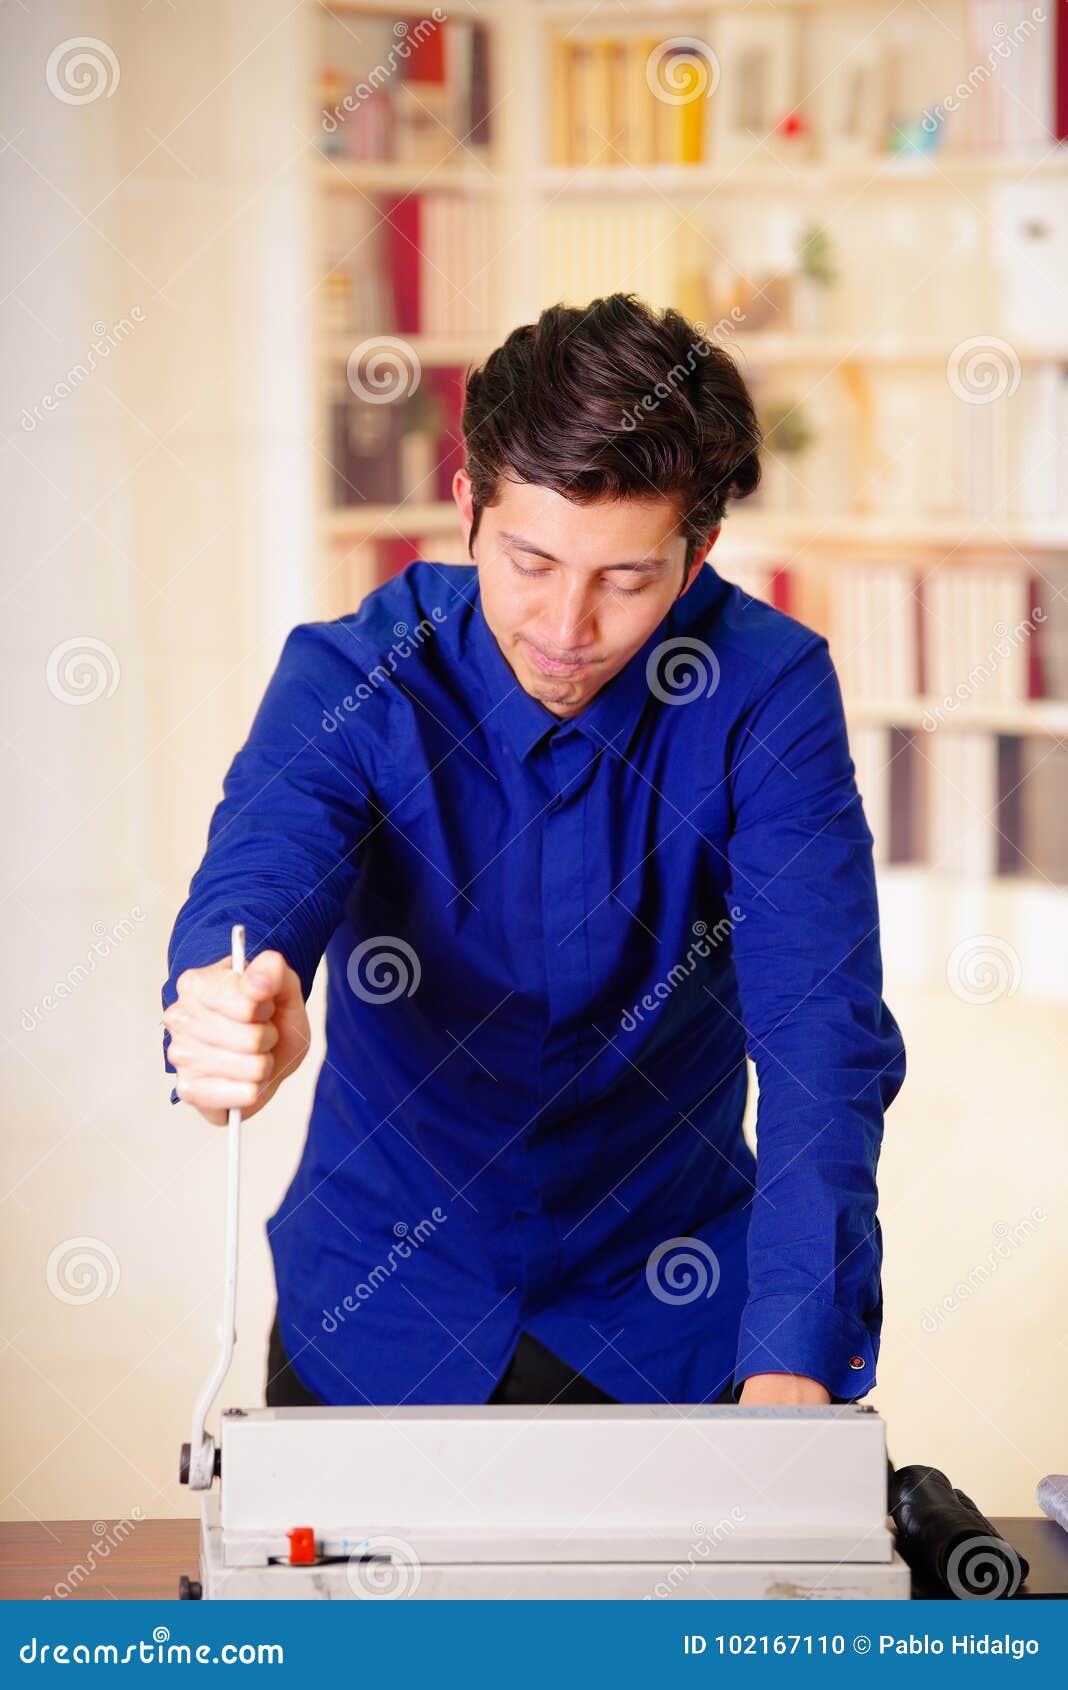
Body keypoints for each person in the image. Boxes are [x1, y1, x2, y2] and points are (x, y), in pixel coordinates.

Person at [161, 292, 906, 1420]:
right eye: (530, 560)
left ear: (698, 551)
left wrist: (792, 1358)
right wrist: (232, 999)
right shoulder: (355, 674)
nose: (565, 627)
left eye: (627, 578)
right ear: (466, 505)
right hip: (382, 1304)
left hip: (668, 1314)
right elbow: (264, 864)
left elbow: (819, 1035)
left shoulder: (770, 691)